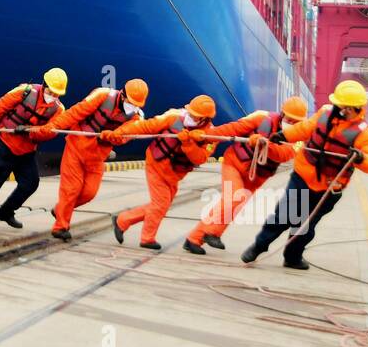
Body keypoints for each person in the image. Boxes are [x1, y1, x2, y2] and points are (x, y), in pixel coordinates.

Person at [241, 80, 368, 270]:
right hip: (303, 175)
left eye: (341, 105)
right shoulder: (324, 114)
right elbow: (305, 128)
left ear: (352, 109)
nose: (337, 107)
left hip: (329, 188)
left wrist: (360, 158)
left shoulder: (366, 134)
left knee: (305, 226)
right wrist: (284, 135)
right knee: (283, 216)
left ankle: (292, 257)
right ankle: (258, 247)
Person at [107, 96, 267, 250]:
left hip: (174, 175)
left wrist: (188, 143)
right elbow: (145, 126)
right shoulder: (173, 116)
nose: (191, 117)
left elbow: (200, 158)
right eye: (191, 113)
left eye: (196, 116)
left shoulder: (210, 135)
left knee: (159, 207)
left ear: (205, 119)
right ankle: (147, 239)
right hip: (156, 165)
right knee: (160, 205)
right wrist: (120, 132)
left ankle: (122, 220)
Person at [183, 96, 309, 255]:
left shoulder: (301, 137)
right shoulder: (261, 118)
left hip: (257, 176)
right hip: (234, 163)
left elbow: (284, 154)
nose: (291, 123)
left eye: (295, 121)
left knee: (233, 205)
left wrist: (264, 144)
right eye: (289, 119)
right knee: (234, 197)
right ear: (282, 114)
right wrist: (204, 135)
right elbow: (232, 129)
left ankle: (193, 240)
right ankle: (212, 233)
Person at [29, 79, 148, 241]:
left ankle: (59, 210)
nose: (133, 106)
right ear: (123, 94)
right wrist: (51, 128)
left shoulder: (137, 116)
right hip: (76, 148)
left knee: (89, 193)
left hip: (97, 157)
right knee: (71, 189)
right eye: (131, 102)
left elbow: (128, 133)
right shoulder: (103, 95)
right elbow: (75, 113)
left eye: (137, 104)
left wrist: (114, 136)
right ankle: (61, 226)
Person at [0, 68, 67, 233]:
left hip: (27, 150)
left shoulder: (58, 110)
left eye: (58, 94)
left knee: (31, 183)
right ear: (44, 85)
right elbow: (1, 105)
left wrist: (30, 130)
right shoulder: (25, 92)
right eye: (52, 92)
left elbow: (50, 132)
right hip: (5, 144)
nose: (54, 96)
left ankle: (6, 212)